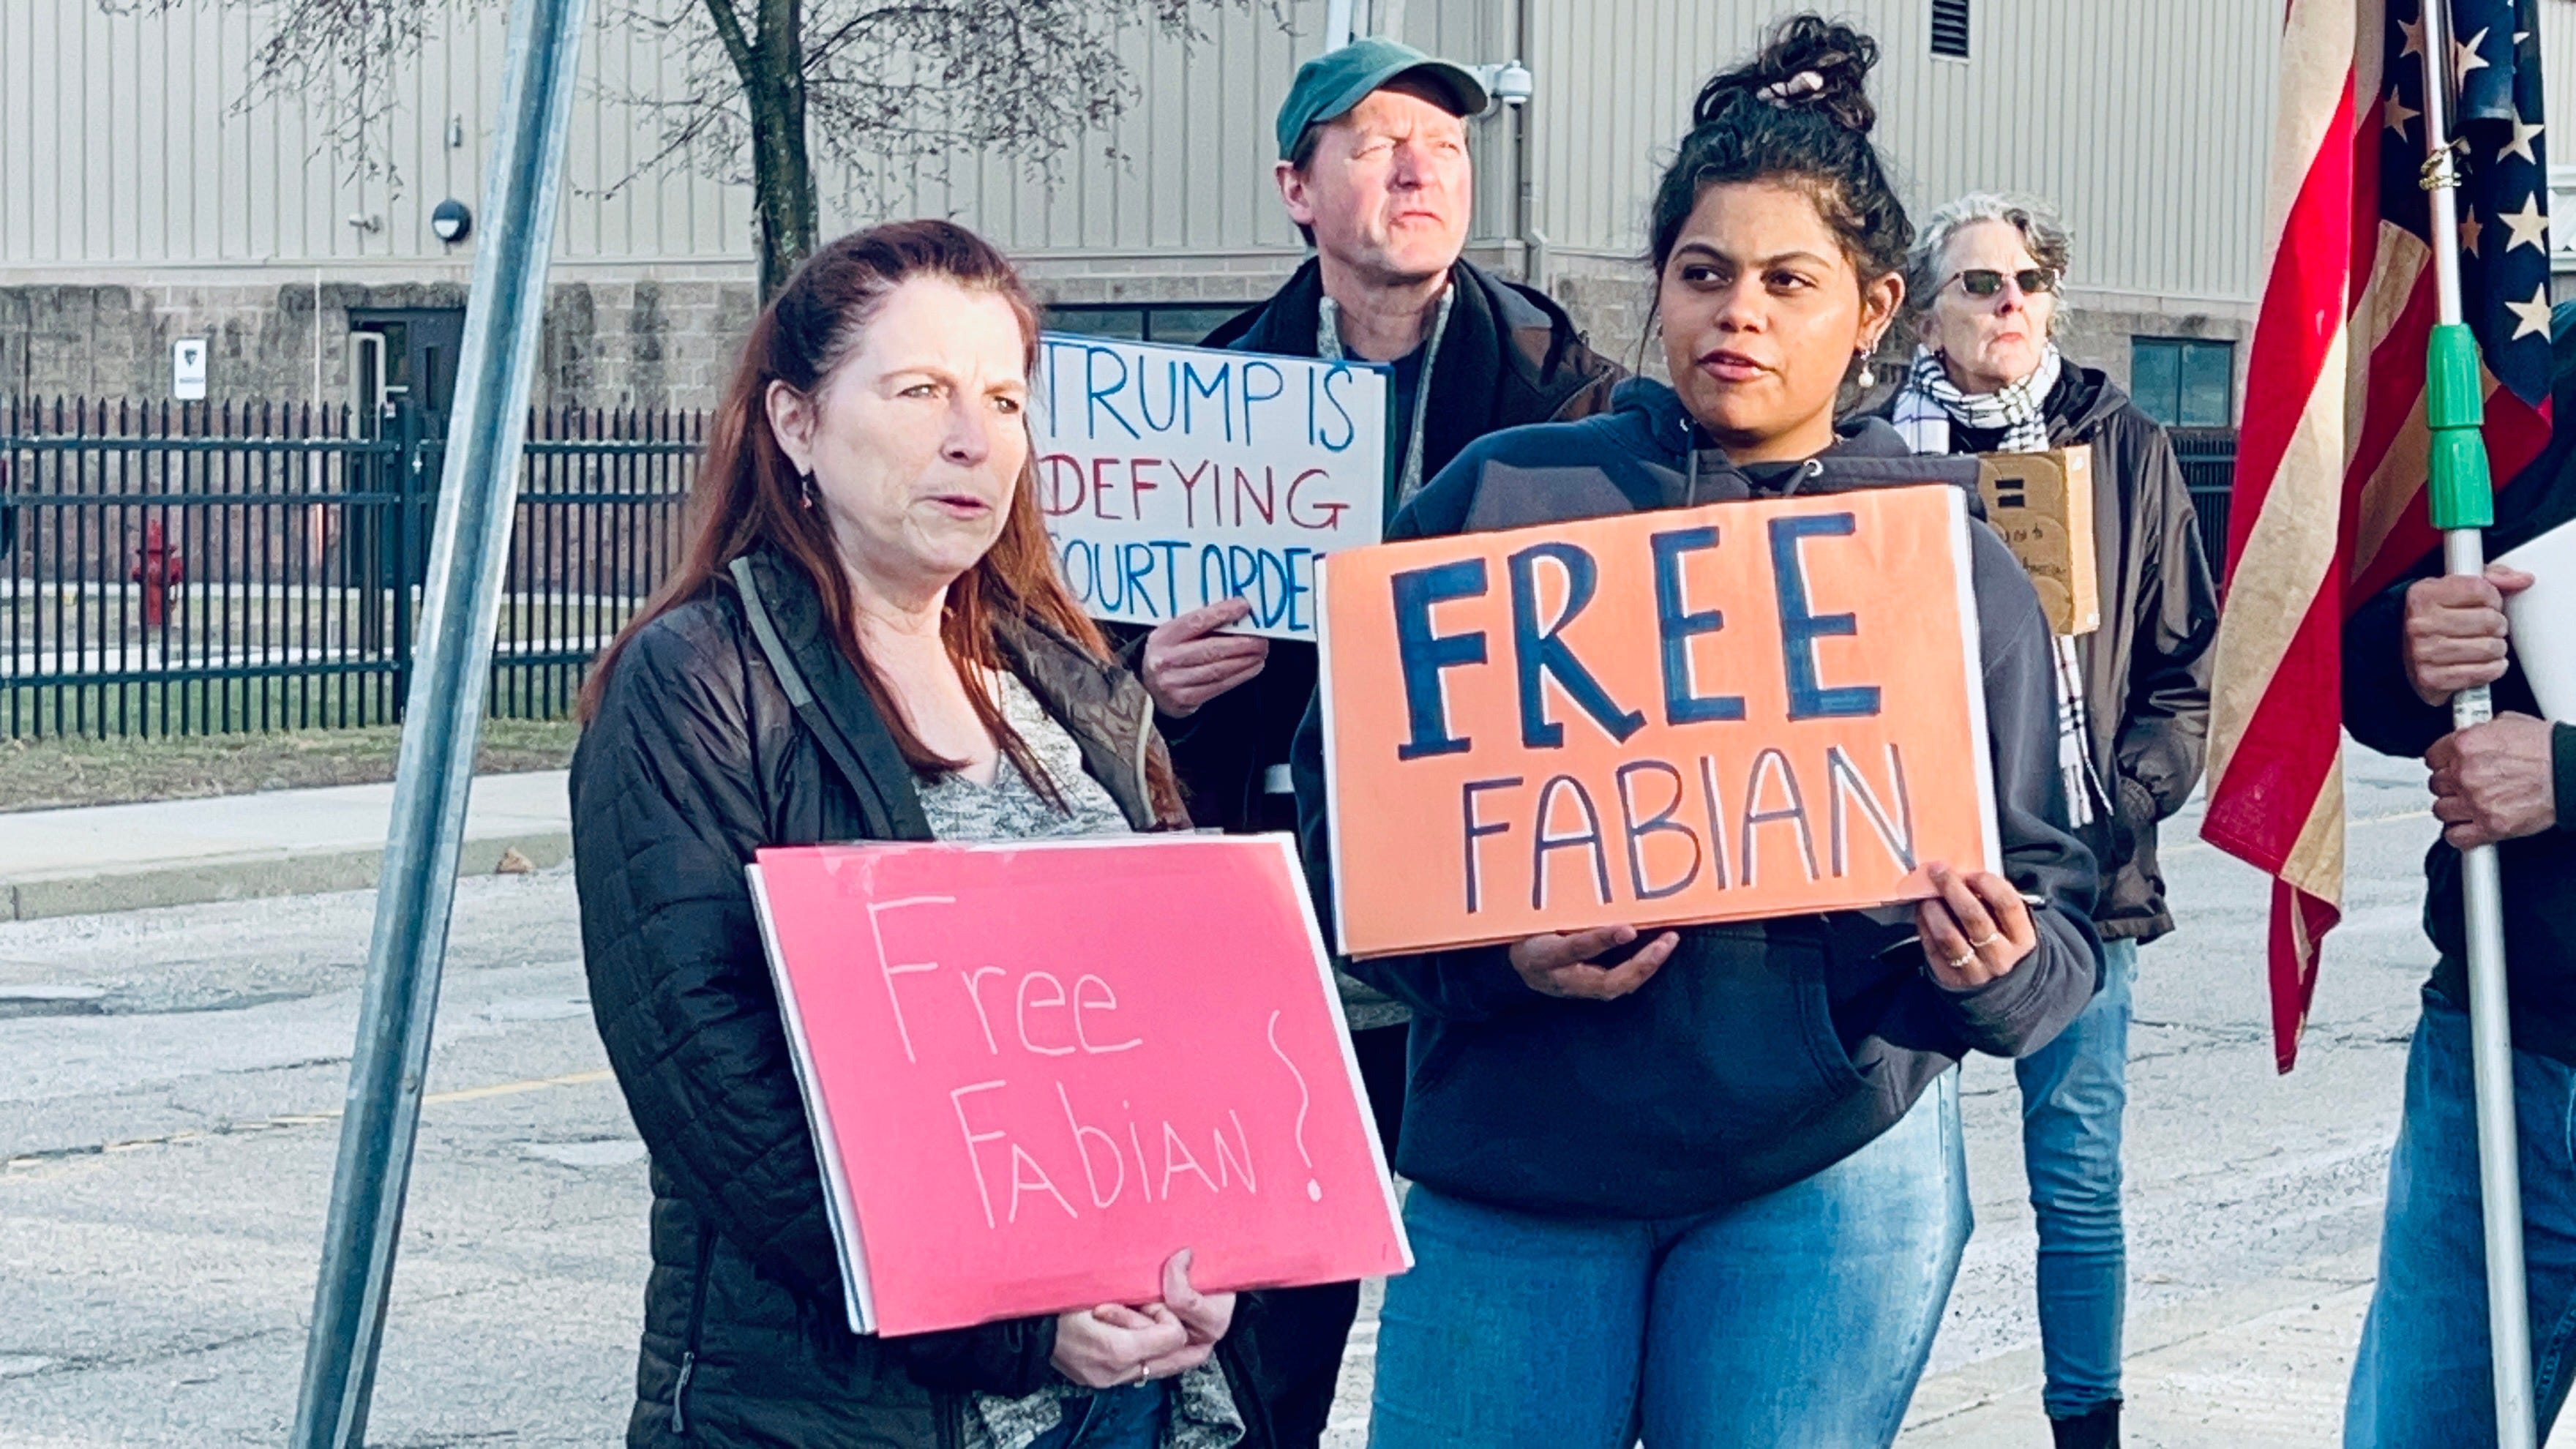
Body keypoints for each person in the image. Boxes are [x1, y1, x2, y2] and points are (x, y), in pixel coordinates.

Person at [1287, 18, 2103, 1447]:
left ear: (1872, 309)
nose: (1740, 311)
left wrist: (2000, 971)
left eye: (1790, 281)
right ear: (1656, 295)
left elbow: (2048, 908)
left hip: (1825, 1174)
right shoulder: (1495, 499)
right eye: (1703, 273)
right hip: (1516, 1180)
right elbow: (1341, 847)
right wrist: (1494, 955)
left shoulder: (1941, 558)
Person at [569, 220, 1267, 1449]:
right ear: (795, 424)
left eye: (1004, 398)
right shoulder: (698, 681)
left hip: (1135, 1386)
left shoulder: (1063, 676)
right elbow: (719, 1093)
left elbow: (1167, 1031)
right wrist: (1007, 1326)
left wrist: (1213, 1252)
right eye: (921, 391)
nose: (973, 438)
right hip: (866, 1405)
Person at [1131, 35, 1624, 1446]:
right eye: (1373, 141)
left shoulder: (1566, 394)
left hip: (1488, 913)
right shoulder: (1205, 402)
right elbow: (1090, 665)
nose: (1419, 167)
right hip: (1270, 915)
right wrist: (1152, 686)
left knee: (1491, 1310)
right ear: (1298, 187)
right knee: (1264, 1324)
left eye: (1445, 145)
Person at [1879, 192, 2218, 1449]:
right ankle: (1859, 1409)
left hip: (2079, 876)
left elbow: (2186, 656)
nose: (2009, 301)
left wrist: (2130, 800)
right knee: (1906, 1196)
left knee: (2077, 1185)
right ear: (1925, 307)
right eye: (1978, 283)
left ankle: (2088, 1425)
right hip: (1901, 880)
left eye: (2027, 280)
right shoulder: (1871, 448)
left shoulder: (2119, 440)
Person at [2340, 312, 2576, 1448]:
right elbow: (2357, 663)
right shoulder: (2529, 379)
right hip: (2500, 1052)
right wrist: (2405, 641)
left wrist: (2570, 777)